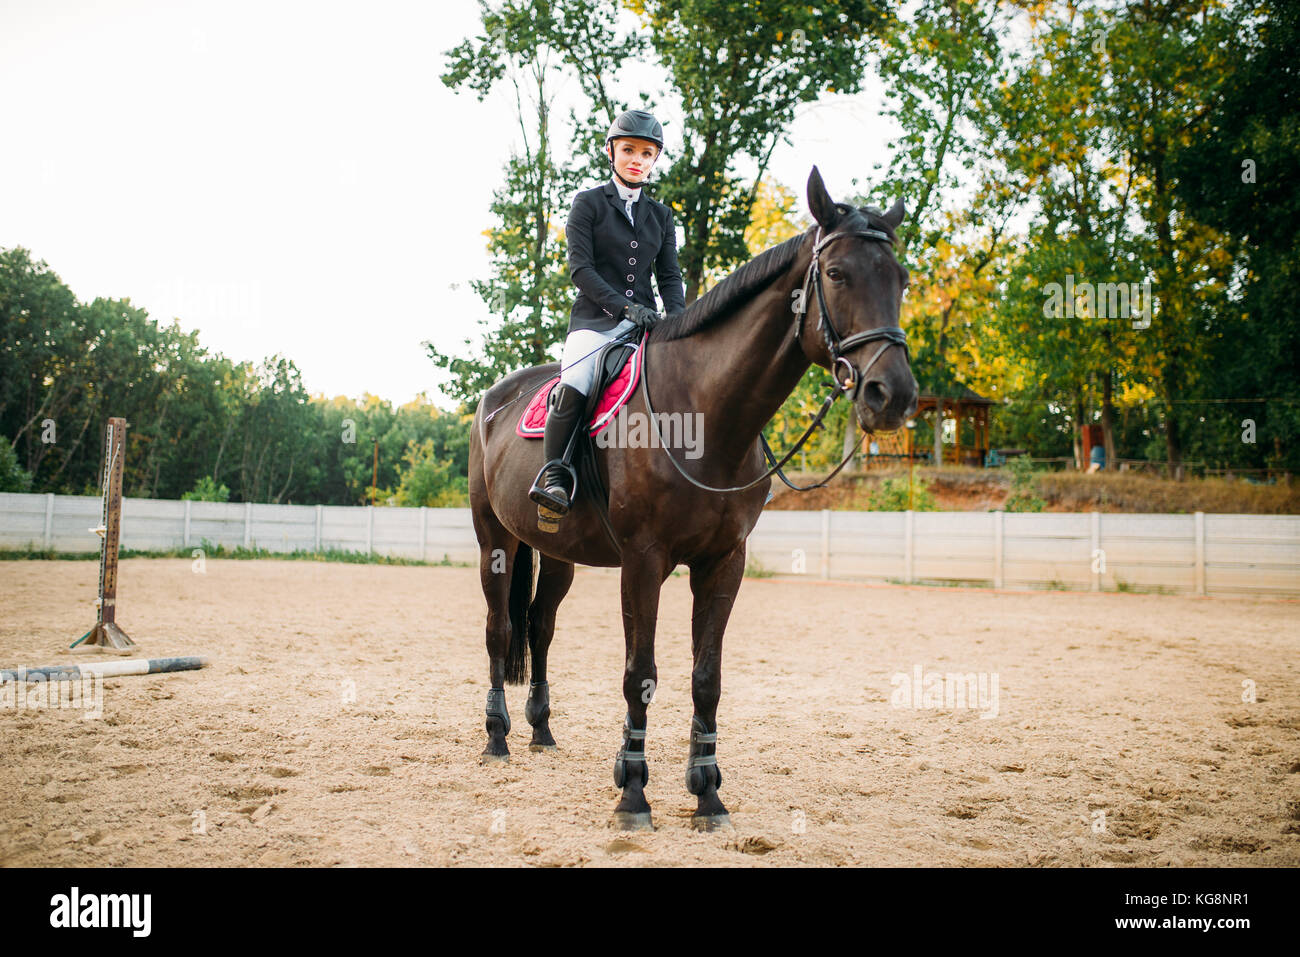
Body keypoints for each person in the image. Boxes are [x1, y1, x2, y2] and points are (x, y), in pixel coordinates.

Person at [528, 108, 686, 521]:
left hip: (647, 325)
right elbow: (581, 270)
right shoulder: (588, 204)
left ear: (654, 160)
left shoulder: (661, 215)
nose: (638, 159)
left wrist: (682, 321)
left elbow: (669, 276)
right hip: (595, 322)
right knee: (576, 378)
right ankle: (556, 475)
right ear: (612, 152)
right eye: (629, 150)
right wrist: (624, 307)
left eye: (647, 153)